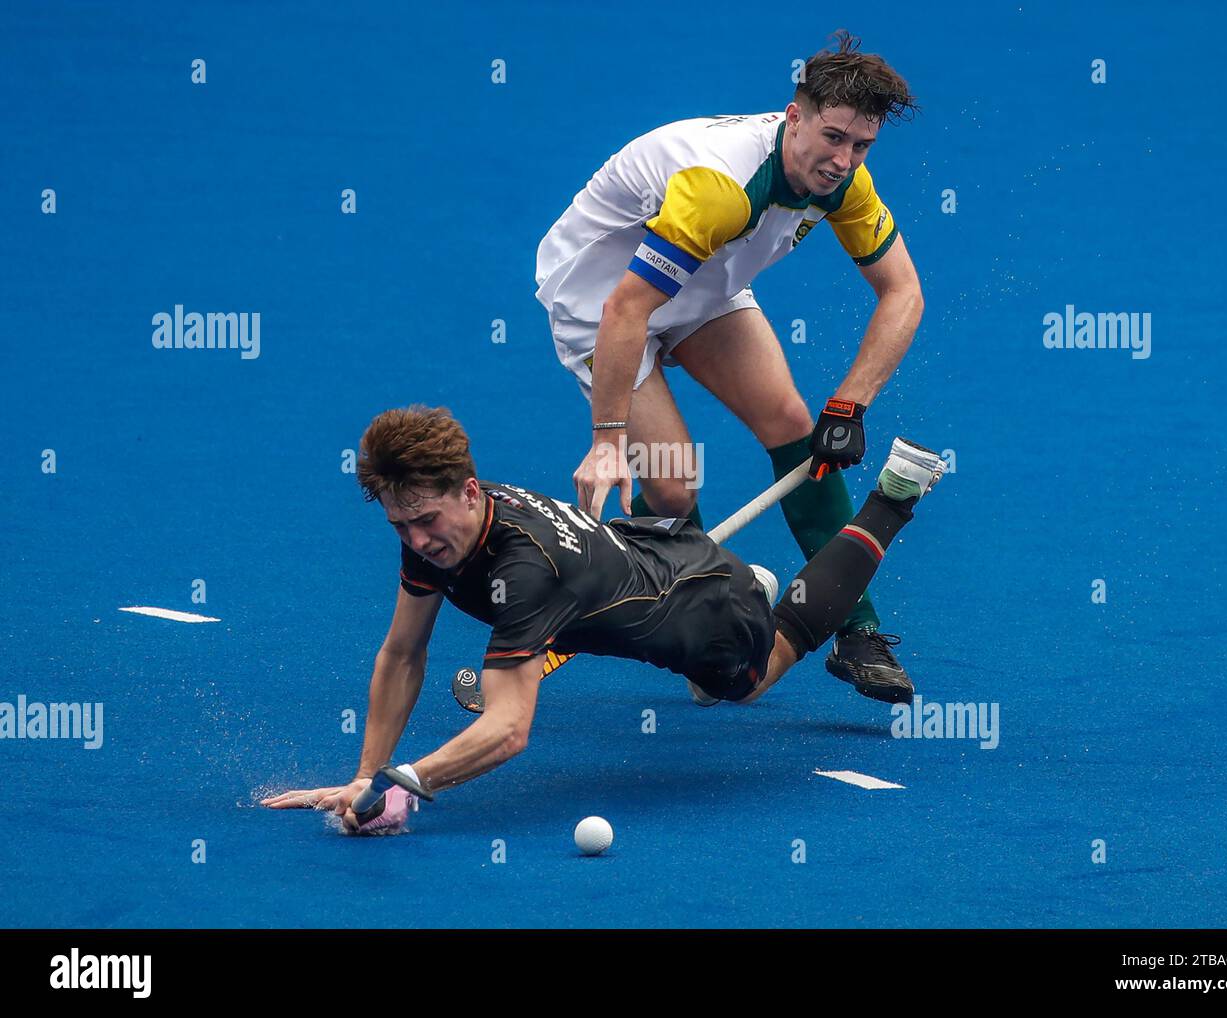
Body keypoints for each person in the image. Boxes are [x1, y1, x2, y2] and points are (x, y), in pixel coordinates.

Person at [261, 405, 943, 833]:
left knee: (751, 679)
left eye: (426, 521)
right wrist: (365, 773)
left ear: (469, 490)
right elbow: (402, 654)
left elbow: (507, 731)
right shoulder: (448, 527)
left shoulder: (523, 570)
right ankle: (745, 578)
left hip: (702, 613)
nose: (416, 541)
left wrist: (402, 786)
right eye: (400, 526)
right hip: (649, 549)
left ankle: (893, 497)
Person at [535, 30, 926, 704]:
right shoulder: (720, 184)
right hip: (601, 297)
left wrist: (850, 405)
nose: (844, 160)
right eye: (833, 138)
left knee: (792, 422)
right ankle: (696, 625)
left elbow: (904, 293)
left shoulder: (844, 184)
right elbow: (627, 311)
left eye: (861, 146)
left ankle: (854, 630)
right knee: (676, 485)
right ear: (793, 116)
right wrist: (607, 443)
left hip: (703, 283)